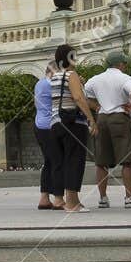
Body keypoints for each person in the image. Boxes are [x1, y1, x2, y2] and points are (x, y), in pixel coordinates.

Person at [46, 44, 98, 213]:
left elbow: (64, 95)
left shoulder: (54, 76)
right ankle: (72, 203)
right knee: (75, 162)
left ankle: (67, 200)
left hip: (56, 124)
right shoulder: (72, 74)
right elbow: (77, 98)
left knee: (63, 162)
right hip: (73, 123)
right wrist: (91, 120)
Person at [85, 53, 131, 208]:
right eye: (125, 64)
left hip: (102, 119)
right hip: (119, 118)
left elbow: (84, 96)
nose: (126, 66)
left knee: (101, 161)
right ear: (120, 64)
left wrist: (96, 107)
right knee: (127, 160)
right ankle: (129, 197)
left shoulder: (95, 79)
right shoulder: (125, 78)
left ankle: (103, 198)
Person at [33, 73, 63, 210]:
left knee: (49, 162)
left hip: (39, 125)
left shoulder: (39, 84)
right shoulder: (52, 84)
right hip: (51, 126)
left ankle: (44, 198)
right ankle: (58, 199)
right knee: (58, 162)